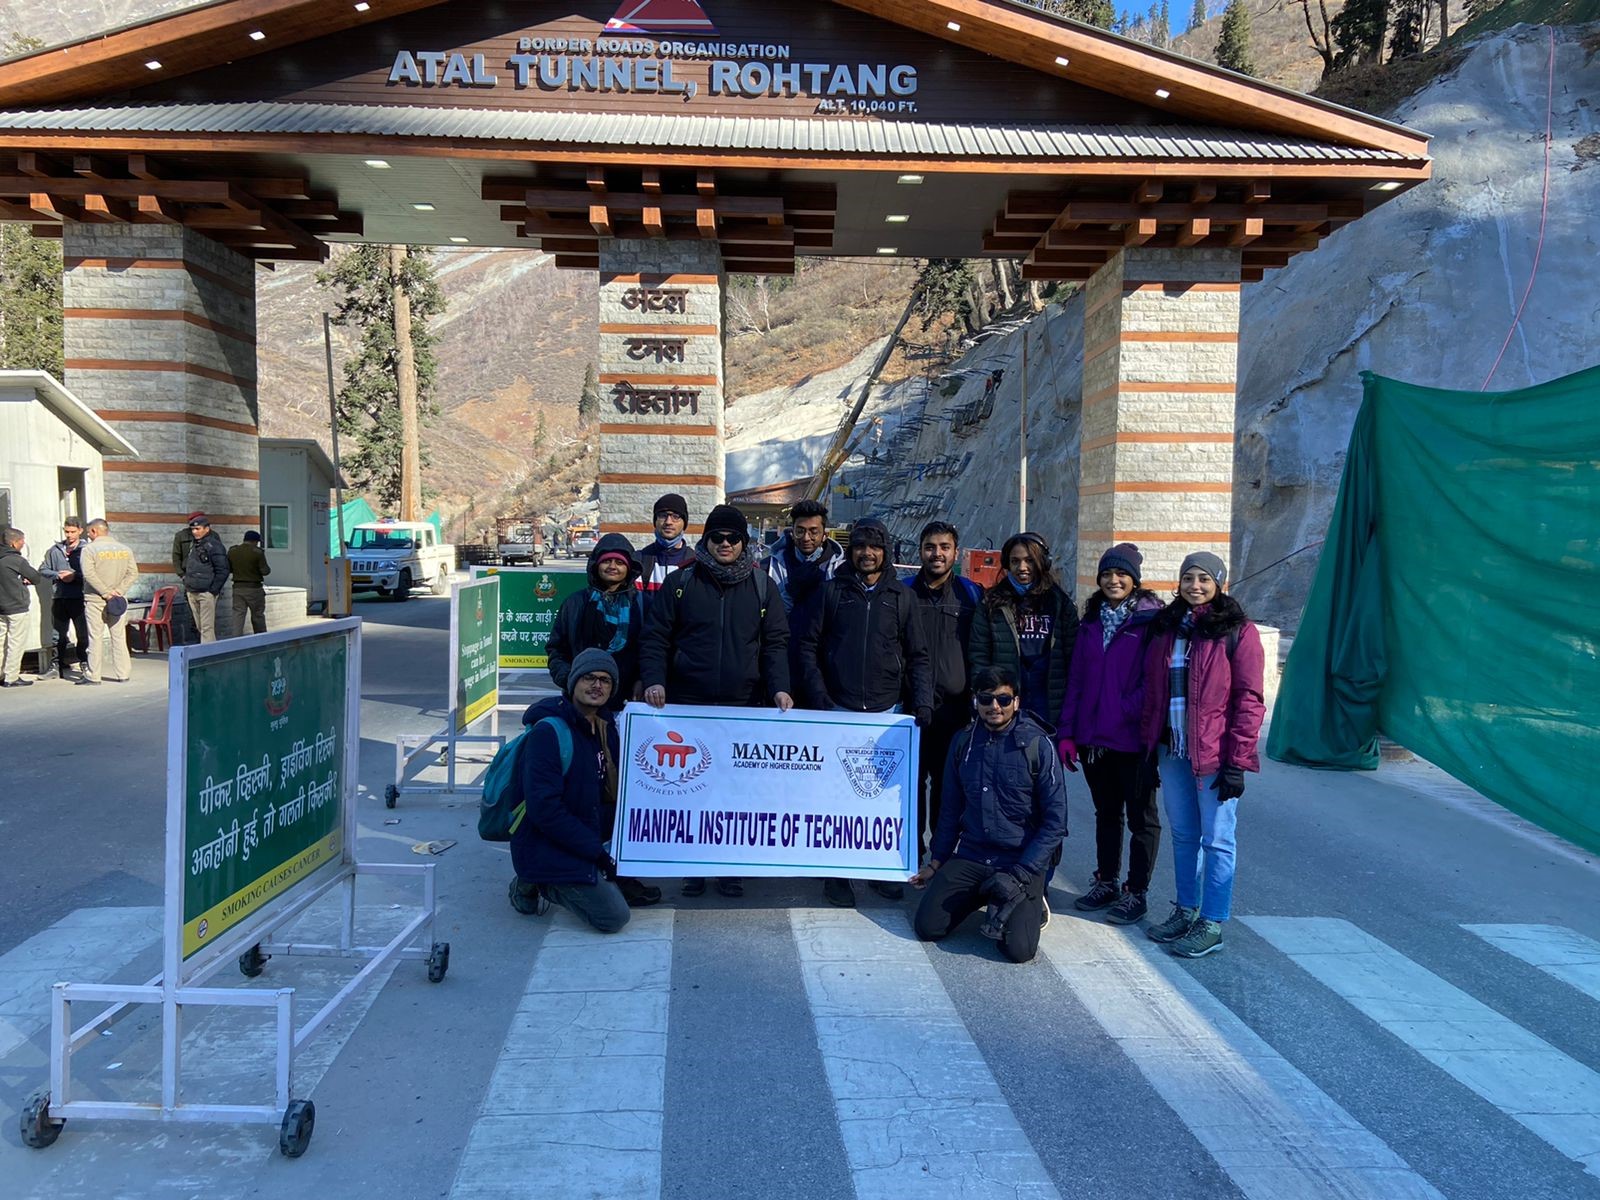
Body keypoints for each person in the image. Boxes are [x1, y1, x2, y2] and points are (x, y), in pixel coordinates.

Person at [639, 502, 794, 898]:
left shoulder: (762, 586)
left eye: (733, 538)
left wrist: (779, 687)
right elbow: (656, 637)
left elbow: (775, 644)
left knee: (734, 789)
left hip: (742, 706)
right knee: (691, 789)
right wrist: (655, 680)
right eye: (718, 537)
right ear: (706, 540)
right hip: (689, 704)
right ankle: (693, 866)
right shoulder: (682, 582)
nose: (725, 544)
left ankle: (729, 865)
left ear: (744, 543)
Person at [797, 516, 934, 908]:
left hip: (885, 712)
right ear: (851, 550)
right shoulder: (832, 592)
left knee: (880, 802)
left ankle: (878, 869)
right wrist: (819, 697)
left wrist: (922, 701)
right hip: (838, 709)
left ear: (885, 551)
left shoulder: (901, 597)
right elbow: (807, 647)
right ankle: (837, 874)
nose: (867, 553)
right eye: (860, 546)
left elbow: (918, 655)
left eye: (875, 547)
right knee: (837, 798)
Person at [1139, 552, 1266, 959]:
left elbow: (1249, 699)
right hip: (1172, 749)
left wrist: (1238, 761)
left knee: (1217, 839)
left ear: (1219, 583)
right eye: (1188, 578)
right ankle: (1186, 909)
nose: (1195, 585)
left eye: (1204, 578)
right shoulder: (1167, 627)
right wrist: (1148, 746)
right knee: (1184, 835)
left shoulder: (1237, 631)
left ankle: (1212, 923)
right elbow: (1153, 692)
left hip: (1214, 754)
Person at [911, 666, 1068, 964]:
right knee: (928, 927)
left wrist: (1023, 872)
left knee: (1018, 951)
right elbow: (950, 809)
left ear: (1016, 702)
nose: (994, 706)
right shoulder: (963, 742)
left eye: (1003, 699)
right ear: (976, 701)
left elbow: (1055, 822)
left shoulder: (1039, 745)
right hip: (974, 855)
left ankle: (1029, 900)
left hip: (1019, 862)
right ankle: (984, 893)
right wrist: (936, 862)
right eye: (986, 699)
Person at [1058, 543, 1165, 924]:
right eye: (1107, 574)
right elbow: (1076, 680)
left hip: (1132, 740)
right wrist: (1067, 732)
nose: (1113, 580)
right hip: (1093, 740)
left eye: (1121, 574)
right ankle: (1106, 880)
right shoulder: (1090, 623)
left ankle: (1137, 892)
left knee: (1141, 819)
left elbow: (1154, 682)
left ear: (1134, 579)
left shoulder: (1150, 622)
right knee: (1106, 813)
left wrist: (1120, 711)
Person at [508, 648, 631, 934]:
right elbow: (545, 811)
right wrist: (596, 853)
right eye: (589, 678)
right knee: (614, 917)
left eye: (605, 680)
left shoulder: (606, 727)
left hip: (584, 829)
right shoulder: (548, 733)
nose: (597, 685)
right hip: (548, 841)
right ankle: (536, 881)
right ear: (573, 682)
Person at [902, 520, 982, 858]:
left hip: (955, 709)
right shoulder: (903, 591)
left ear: (956, 553)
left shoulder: (972, 594)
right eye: (930, 547)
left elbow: (981, 649)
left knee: (948, 786)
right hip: (910, 707)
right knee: (910, 784)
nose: (937, 554)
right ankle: (909, 850)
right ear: (920, 551)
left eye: (944, 547)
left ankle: (940, 855)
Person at [969, 532, 1078, 729]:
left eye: (1030, 560)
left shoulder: (1060, 603)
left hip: (1048, 702)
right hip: (1004, 703)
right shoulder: (990, 604)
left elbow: (1073, 657)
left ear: (1043, 562)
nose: (1022, 567)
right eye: (1015, 561)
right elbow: (979, 656)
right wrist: (985, 699)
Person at [79, 518, 139, 685]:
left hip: (95, 599)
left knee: (95, 637)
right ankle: (123, 673)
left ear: (94, 531)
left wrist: (106, 593)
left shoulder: (89, 549)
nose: (88, 535)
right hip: (118, 600)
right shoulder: (125, 549)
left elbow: (89, 574)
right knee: (119, 637)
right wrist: (119, 591)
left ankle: (94, 675)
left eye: (89, 532)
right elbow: (133, 573)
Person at [38, 516, 89, 680]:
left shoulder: (86, 550)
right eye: (67, 532)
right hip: (59, 597)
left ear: (80, 531)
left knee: (83, 633)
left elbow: (92, 573)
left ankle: (85, 663)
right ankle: (55, 665)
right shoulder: (55, 550)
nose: (69, 535)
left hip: (79, 597)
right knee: (57, 634)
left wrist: (75, 576)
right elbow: (43, 569)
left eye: (73, 532)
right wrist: (57, 575)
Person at [1, 527, 46, 688]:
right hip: (16, 607)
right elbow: (35, 577)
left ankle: (1, 674)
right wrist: (24, 580)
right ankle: (11, 677)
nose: (23, 543)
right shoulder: (16, 560)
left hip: (1, 608)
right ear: (14, 543)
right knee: (15, 643)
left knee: (1, 642)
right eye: (21, 541)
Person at [636, 493, 696, 605]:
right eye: (663, 515)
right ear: (655, 521)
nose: (668, 522)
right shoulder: (638, 562)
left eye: (675, 516)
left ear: (684, 523)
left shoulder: (695, 564)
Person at [181, 514, 230, 643]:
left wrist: (212, 590)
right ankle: (210, 650)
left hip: (206, 592)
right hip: (192, 590)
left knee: (206, 628)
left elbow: (223, 570)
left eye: (198, 529)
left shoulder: (214, 546)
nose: (194, 532)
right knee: (200, 626)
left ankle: (207, 653)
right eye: (193, 529)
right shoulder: (194, 545)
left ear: (207, 529)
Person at [227, 530, 271, 637]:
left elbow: (229, 568)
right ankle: (261, 639)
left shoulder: (233, 551)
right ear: (255, 541)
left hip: (237, 588)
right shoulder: (257, 553)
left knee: (238, 616)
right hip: (254, 589)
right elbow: (265, 571)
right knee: (257, 616)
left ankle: (236, 639)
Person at [171, 512, 204, 578]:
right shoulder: (181, 535)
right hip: (188, 573)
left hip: (208, 574)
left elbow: (219, 559)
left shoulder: (212, 536)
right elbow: (176, 556)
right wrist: (181, 574)